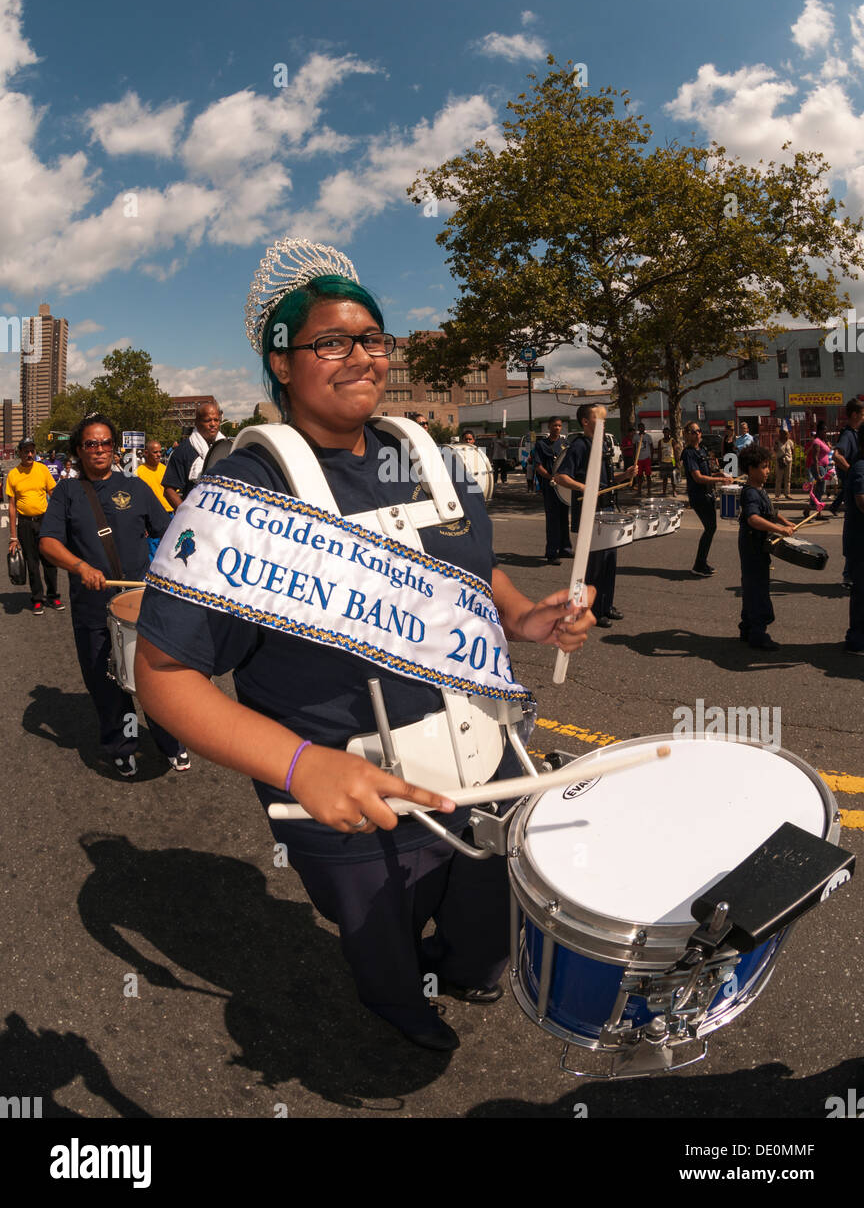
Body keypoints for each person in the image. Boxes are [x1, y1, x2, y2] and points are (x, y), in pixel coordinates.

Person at [132, 243, 596, 1052]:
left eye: (373, 339)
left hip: (490, 764)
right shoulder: (241, 491)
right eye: (331, 342)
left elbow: (473, 566)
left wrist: (525, 619)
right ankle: (399, 1007)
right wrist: (300, 766)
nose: (361, 357)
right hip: (354, 789)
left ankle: (457, 972)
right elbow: (165, 681)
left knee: (490, 923)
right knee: (381, 939)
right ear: (282, 361)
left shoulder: (425, 455)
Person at [39, 413, 189, 779]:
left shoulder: (136, 488)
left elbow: (168, 533)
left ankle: (170, 741)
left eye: (106, 442)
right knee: (106, 683)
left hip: (139, 601)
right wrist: (79, 567)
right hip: (92, 607)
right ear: (78, 450)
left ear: (115, 447)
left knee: (154, 676)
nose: (100, 449)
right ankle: (122, 745)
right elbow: (47, 542)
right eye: (91, 443)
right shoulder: (67, 492)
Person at [553, 403, 635, 627]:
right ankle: (590, 611)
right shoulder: (579, 446)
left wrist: (624, 475)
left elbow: (605, 482)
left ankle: (606, 606)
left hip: (607, 509)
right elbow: (560, 477)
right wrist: (583, 487)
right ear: (586, 422)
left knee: (609, 561)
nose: (604, 422)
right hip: (591, 511)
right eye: (600, 419)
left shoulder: (602, 445)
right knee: (594, 566)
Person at [738, 445, 795, 651]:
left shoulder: (759, 490)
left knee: (751, 587)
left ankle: (747, 628)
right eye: (764, 467)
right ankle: (758, 634)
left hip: (757, 546)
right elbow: (753, 518)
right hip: (752, 547)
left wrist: (785, 522)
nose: (768, 470)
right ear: (751, 469)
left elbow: (770, 512)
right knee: (757, 588)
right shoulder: (751, 493)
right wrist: (780, 529)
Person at [4, 437, 62, 614]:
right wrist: (13, 537)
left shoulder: (42, 469)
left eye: (32, 451)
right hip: (25, 524)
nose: (30, 454)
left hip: (45, 521)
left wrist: (58, 520)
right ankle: (37, 598)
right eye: (26, 451)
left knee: (50, 561)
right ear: (20, 453)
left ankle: (53, 596)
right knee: (32, 562)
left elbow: (54, 494)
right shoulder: (13, 475)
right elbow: (12, 506)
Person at [680, 421, 733, 577]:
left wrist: (720, 475)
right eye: (693, 431)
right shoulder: (689, 453)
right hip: (698, 495)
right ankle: (699, 564)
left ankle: (701, 563)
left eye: (699, 431)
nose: (697, 433)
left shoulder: (701, 450)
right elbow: (698, 478)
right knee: (710, 528)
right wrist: (720, 481)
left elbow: (707, 474)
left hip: (707, 494)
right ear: (687, 434)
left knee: (711, 528)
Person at [161, 402, 224, 509]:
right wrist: (185, 513)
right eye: (208, 420)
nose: (213, 424)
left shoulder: (226, 447)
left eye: (216, 420)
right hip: (194, 518)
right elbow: (168, 490)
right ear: (197, 422)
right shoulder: (183, 450)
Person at [532, 418, 572, 564]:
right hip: (550, 487)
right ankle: (551, 553)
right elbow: (538, 465)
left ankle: (565, 549)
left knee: (563, 518)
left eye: (559, 425)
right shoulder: (541, 445)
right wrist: (551, 477)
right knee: (553, 520)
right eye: (554, 425)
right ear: (549, 427)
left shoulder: (565, 444)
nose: (557, 428)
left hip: (564, 487)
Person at [842, 423, 864, 653]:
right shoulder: (860, 467)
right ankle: (855, 639)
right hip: (860, 543)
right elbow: (862, 501)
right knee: (861, 594)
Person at [804, 421, 831, 515]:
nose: (826, 433)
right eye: (824, 431)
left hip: (824, 467)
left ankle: (810, 508)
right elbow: (815, 458)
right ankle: (817, 511)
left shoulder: (823, 441)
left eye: (826, 432)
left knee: (819, 489)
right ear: (819, 431)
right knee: (821, 489)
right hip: (818, 467)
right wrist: (818, 473)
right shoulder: (816, 442)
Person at [773, 429, 794, 501]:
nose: (783, 435)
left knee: (788, 478)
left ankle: (787, 494)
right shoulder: (777, 442)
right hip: (780, 461)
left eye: (785, 433)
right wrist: (776, 444)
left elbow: (792, 451)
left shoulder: (790, 442)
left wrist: (789, 457)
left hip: (788, 461)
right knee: (779, 478)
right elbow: (775, 450)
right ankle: (777, 495)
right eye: (781, 433)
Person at [634, 423, 653, 496]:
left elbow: (651, 447)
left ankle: (649, 491)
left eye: (643, 427)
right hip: (639, 459)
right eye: (640, 427)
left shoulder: (648, 437)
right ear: (638, 428)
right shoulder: (635, 437)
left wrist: (650, 457)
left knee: (648, 475)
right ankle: (639, 491)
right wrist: (634, 458)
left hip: (646, 458)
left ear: (644, 428)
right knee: (639, 476)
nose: (641, 429)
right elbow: (634, 448)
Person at [658, 427, 676, 497]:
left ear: (669, 433)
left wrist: (676, 462)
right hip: (663, 461)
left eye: (667, 432)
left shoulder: (672, 440)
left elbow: (675, 451)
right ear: (663, 433)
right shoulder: (660, 441)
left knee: (673, 477)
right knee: (664, 478)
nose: (666, 434)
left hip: (672, 460)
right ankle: (664, 492)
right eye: (665, 432)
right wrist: (659, 461)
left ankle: (674, 491)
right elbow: (659, 452)